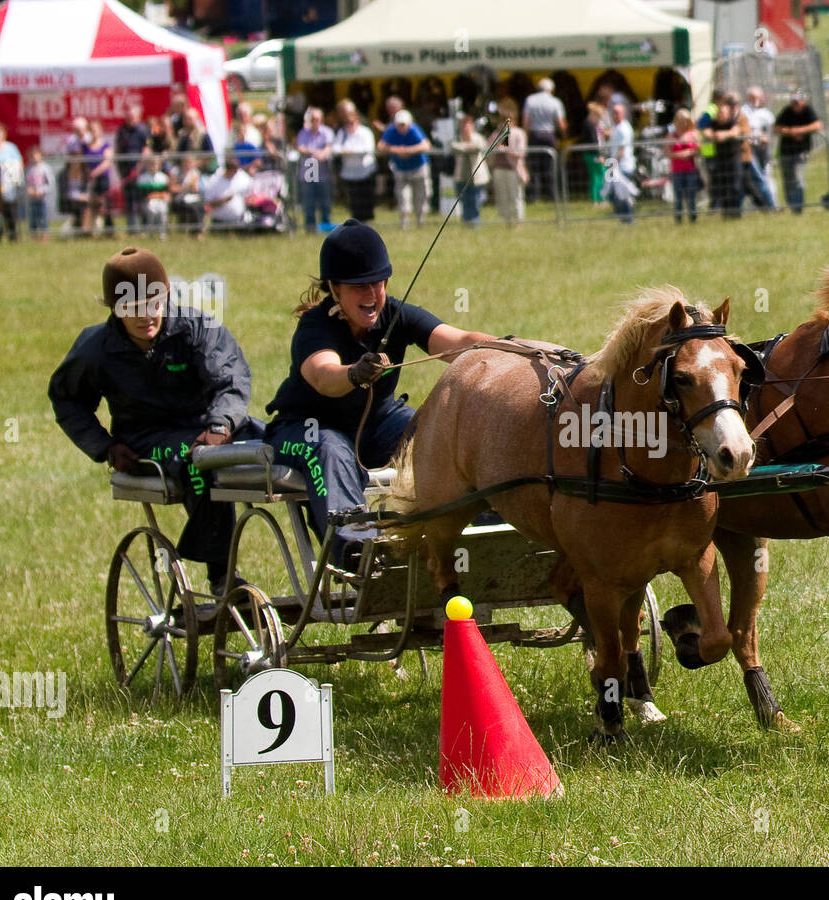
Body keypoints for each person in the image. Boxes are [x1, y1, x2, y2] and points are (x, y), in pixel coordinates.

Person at [263, 220, 495, 567]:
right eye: (359, 286)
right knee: (331, 450)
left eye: (377, 282)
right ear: (335, 288)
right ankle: (356, 550)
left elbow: (456, 344)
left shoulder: (396, 314)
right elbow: (323, 375)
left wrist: (504, 348)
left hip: (379, 421)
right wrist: (354, 374)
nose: (371, 294)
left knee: (435, 431)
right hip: (307, 428)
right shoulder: (315, 325)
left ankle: (483, 526)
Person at [48, 247, 260, 595]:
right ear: (115, 309)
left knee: (286, 445)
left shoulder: (197, 328)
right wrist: (105, 447)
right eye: (133, 309)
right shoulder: (95, 348)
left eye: (154, 304)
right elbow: (66, 398)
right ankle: (222, 576)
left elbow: (231, 379)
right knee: (199, 464)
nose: (147, 316)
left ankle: (331, 565)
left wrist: (220, 425)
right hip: (148, 438)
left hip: (211, 428)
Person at [377, 109, 431, 228]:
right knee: (403, 196)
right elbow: (380, 146)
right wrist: (396, 150)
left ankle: (420, 221)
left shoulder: (414, 129)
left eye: (403, 124)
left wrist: (408, 151)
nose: (401, 127)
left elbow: (426, 145)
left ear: (409, 123)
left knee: (421, 195)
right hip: (400, 168)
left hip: (419, 167)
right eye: (399, 124)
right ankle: (404, 223)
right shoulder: (391, 130)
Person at [774, 89, 822, 213]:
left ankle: (798, 209)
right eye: (793, 101)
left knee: (797, 179)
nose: (795, 104)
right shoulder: (786, 111)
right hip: (785, 152)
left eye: (797, 102)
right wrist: (790, 132)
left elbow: (817, 125)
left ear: (802, 101)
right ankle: (792, 206)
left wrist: (800, 130)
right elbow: (776, 128)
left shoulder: (808, 111)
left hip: (801, 152)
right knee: (787, 181)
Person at [333, 99, 378, 222]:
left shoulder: (365, 132)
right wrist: (345, 150)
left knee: (365, 200)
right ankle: (357, 223)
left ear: (357, 120)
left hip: (365, 172)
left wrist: (349, 151)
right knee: (353, 202)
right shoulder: (342, 133)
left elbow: (368, 148)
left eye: (351, 121)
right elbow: (335, 148)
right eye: (347, 122)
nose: (349, 124)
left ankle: (367, 224)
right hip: (350, 173)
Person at [522, 77, 566, 202]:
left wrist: (525, 137)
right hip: (549, 135)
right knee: (550, 166)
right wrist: (564, 137)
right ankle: (551, 195)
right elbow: (561, 123)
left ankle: (533, 196)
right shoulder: (555, 102)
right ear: (551, 89)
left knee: (534, 167)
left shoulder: (530, 100)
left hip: (534, 135)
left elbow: (526, 121)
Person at [295, 107, 334, 232]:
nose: (315, 121)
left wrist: (321, 153)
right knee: (309, 203)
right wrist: (316, 152)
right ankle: (310, 229)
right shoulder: (303, 132)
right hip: (308, 173)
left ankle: (326, 228)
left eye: (317, 119)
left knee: (325, 203)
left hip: (323, 174)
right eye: (312, 119)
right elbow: (300, 148)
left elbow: (328, 148)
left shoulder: (327, 132)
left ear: (321, 120)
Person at [489, 103, 528, 226]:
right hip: (498, 168)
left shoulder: (518, 133)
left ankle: (518, 221)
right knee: (502, 196)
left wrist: (506, 150)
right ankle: (507, 221)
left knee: (515, 195)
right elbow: (488, 147)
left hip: (513, 169)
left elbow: (521, 151)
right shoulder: (496, 133)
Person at [449, 114, 489, 226]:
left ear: (472, 126)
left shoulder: (478, 138)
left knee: (475, 201)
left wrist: (463, 147)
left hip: (476, 177)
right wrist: (468, 147)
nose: (465, 128)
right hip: (460, 176)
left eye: (467, 125)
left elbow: (478, 147)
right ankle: (466, 223)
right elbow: (452, 147)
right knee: (464, 201)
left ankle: (475, 223)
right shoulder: (456, 138)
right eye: (463, 126)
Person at [114, 105, 149, 232]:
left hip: (140, 171)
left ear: (138, 117)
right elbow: (118, 149)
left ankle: (145, 228)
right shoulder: (122, 130)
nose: (130, 119)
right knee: (129, 201)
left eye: (132, 117)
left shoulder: (143, 130)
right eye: (128, 117)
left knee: (142, 200)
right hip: (126, 171)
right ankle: (132, 228)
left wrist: (139, 167)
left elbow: (146, 149)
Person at [202, 152, 252, 234]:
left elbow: (250, 192)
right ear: (227, 169)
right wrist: (224, 200)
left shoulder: (242, 177)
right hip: (220, 221)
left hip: (239, 220)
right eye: (233, 171)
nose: (235, 173)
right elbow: (208, 204)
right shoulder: (215, 181)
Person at [668, 109, 702, 223]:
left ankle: (693, 219)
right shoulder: (671, 135)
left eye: (685, 120)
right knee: (678, 198)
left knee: (691, 197)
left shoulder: (694, 134)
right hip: (676, 171)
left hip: (690, 170)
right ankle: (678, 220)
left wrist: (687, 153)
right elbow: (666, 152)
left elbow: (698, 150)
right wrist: (683, 154)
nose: (683, 123)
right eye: (680, 120)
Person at [84, 120, 115, 236]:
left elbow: (107, 162)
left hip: (102, 179)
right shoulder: (86, 146)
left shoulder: (106, 145)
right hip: (91, 180)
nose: (93, 132)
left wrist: (94, 172)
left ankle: (109, 231)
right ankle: (91, 231)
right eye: (91, 130)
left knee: (105, 206)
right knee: (91, 206)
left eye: (95, 129)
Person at [580, 102, 607, 203]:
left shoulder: (587, 124)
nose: (599, 120)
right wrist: (599, 155)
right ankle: (598, 199)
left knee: (595, 177)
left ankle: (596, 199)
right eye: (599, 117)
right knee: (598, 176)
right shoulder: (590, 126)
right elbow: (594, 142)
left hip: (590, 155)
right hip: (594, 155)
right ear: (593, 115)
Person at [25, 145, 53, 241]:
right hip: (32, 200)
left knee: (43, 219)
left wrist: (41, 191)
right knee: (33, 220)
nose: (34, 158)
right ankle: (34, 238)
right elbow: (25, 183)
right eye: (32, 156)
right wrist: (29, 190)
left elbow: (50, 184)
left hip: (43, 199)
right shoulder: (28, 169)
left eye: (36, 155)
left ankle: (45, 238)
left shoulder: (45, 168)